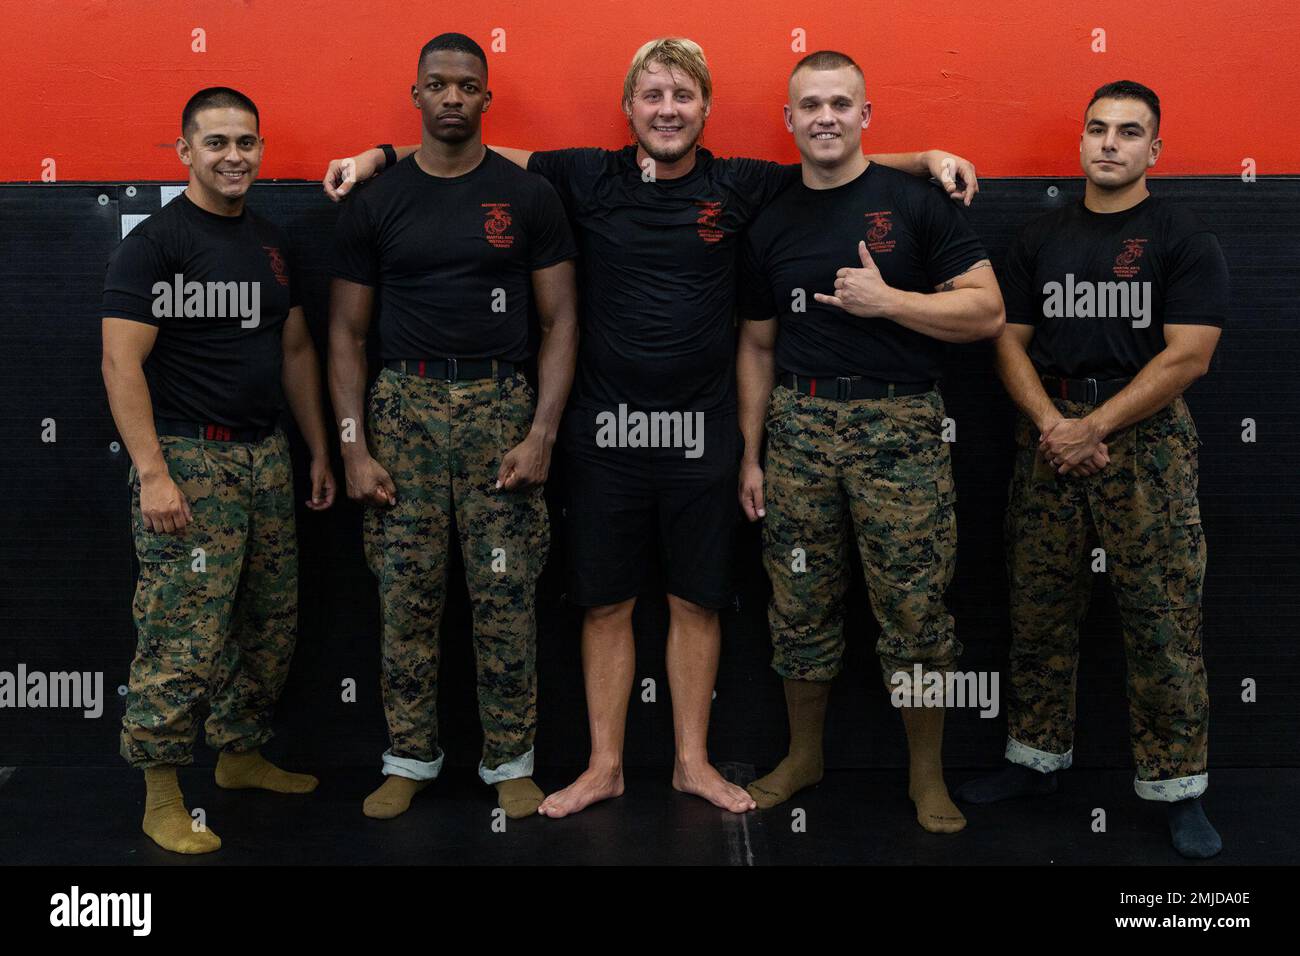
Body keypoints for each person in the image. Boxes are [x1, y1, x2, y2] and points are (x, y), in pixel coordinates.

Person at [323, 37, 980, 817]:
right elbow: (470, 141)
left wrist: (928, 157)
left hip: (703, 431)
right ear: (629, 107)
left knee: (696, 600)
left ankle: (692, 763)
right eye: (653, 96)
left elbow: (836, 158)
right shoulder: (582, 175)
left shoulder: (742, 185)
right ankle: (604, 766)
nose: (668, 110)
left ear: (705, 108)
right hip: (605, 433)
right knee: (604, 601)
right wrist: (380, 154)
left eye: (683, 97)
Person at [954, 81, 1228, 859]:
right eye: (1098, 129)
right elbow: (1007, 339)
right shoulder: (1038, 238)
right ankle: (1036, 763)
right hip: (1049, 438)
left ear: (1154, 150)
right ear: (1081, 140)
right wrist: (1053, 424)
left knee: (1162, 621)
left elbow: (1190, 355)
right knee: (1038, 610)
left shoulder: (1183, 238)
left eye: (1129, 132)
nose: (1110, 143)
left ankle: (1180, 790)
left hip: (1144, 448)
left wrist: (1095, 427)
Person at [736, 51, 1004, 833]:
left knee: (918, 612)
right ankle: (804, 756)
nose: (826, 116)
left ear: (866, 116)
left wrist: (890, 302)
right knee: (799, 605)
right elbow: (755, 346)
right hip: (798, 432)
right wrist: (750, 453)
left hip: (902, 432)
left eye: (841, 104)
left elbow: (986, 311)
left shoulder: (915, 202)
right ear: (789, 120)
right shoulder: (772, 215)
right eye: (810, 105)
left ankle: (928, 777)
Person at [328, 34, 579, 820]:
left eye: (466, 87)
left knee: (505, 595)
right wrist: (353, 448)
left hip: (500, 410)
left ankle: (510, 762)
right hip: (402, 412)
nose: (450, 99)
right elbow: (345, 336)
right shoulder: (377, 199)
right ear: (416, 95)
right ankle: (409, 759)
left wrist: (542, 433)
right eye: (436, 85)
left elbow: (561, 320)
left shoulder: (526, 195)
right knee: (406, 598)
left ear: (485, 99)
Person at [101, 87, 335, 854]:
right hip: (188, 460)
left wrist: (320, 450)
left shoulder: (270, 240)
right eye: (217, 143)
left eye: (246, 142)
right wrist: (154, 473)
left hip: (265, 456)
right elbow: (120, 361)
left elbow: (297, 351)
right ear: (185, 152)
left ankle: (238, 756)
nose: (234, 156)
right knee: (182, 635)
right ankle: (162, 792)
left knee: (267, 624)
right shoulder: (157, 244)